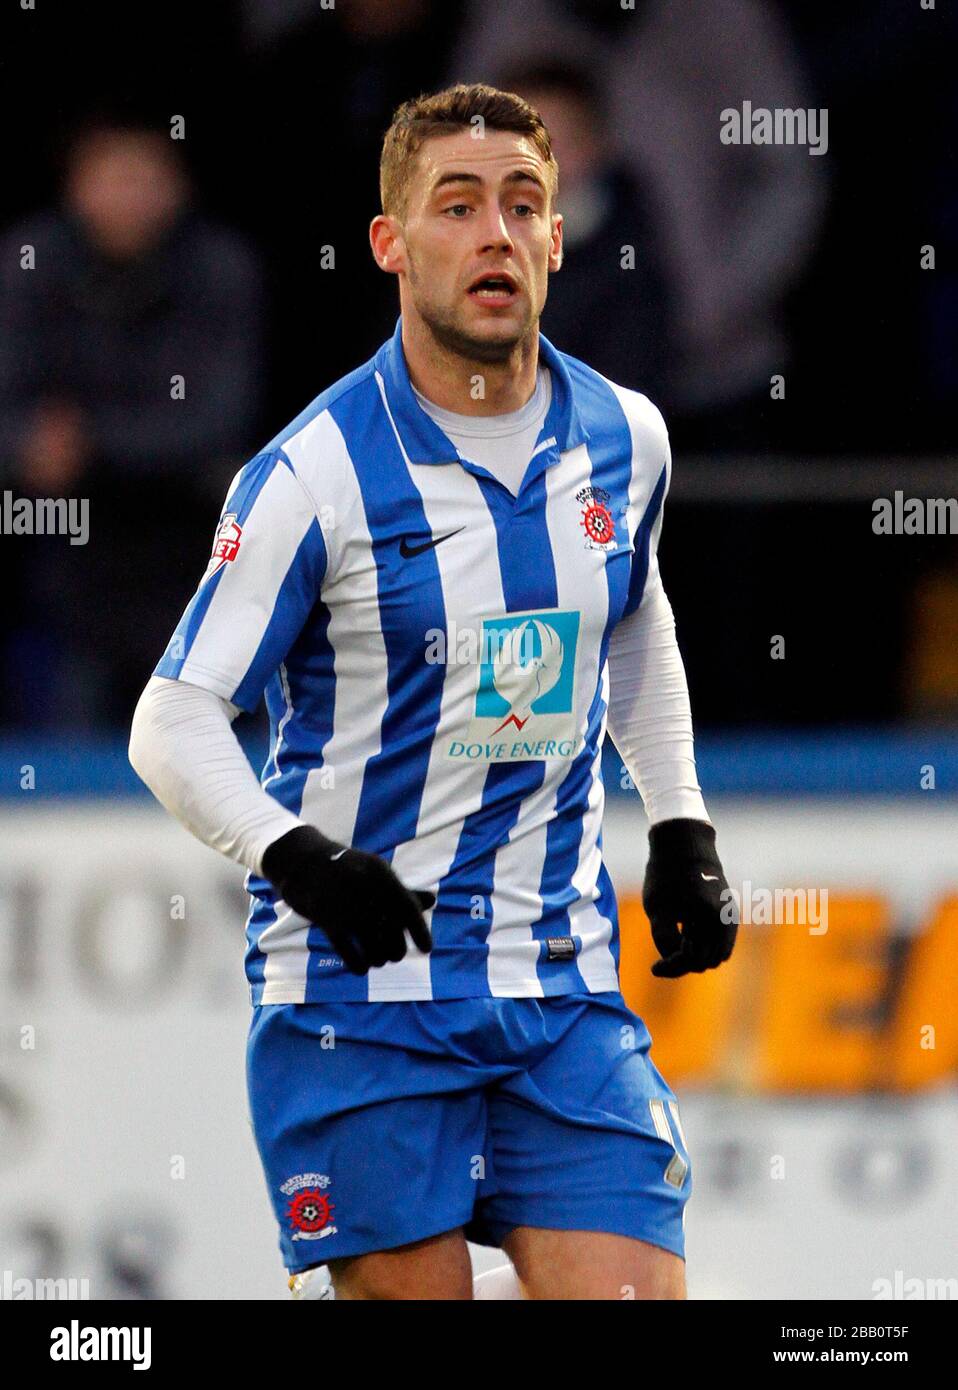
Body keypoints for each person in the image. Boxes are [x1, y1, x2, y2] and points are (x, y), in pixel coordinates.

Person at [129, 83, 737, 1301]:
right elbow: (172, 716)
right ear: (392, 245)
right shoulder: (313, 474)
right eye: (455, 207)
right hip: (358, 997)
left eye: (522, 205)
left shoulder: (628, 437)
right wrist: (296, 856)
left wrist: (678, 824)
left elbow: (632, 618)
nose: (493, 234)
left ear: (558, 240)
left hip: (556, 981)